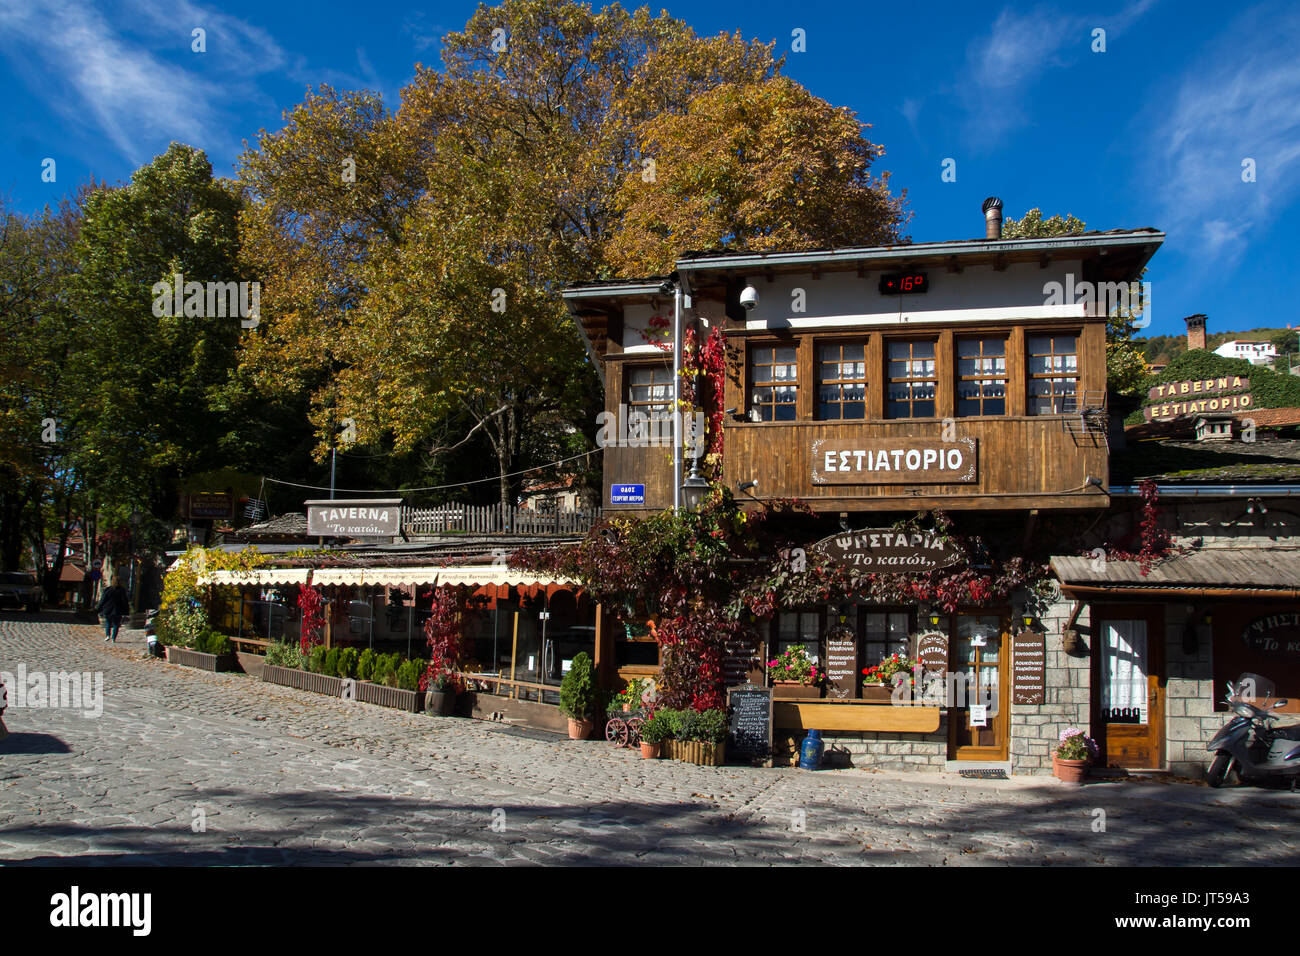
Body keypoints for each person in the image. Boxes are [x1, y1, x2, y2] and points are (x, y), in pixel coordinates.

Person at [96, 576, 130, 643]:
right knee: (116, 624)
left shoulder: (108, 589)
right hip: (118, 610)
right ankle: (114, 638)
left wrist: (99, 608)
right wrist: (126, 610)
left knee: (108, 623)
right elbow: (124, 601)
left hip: (108, 609)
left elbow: (103, 600)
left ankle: (107, 635)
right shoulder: (122, 590)